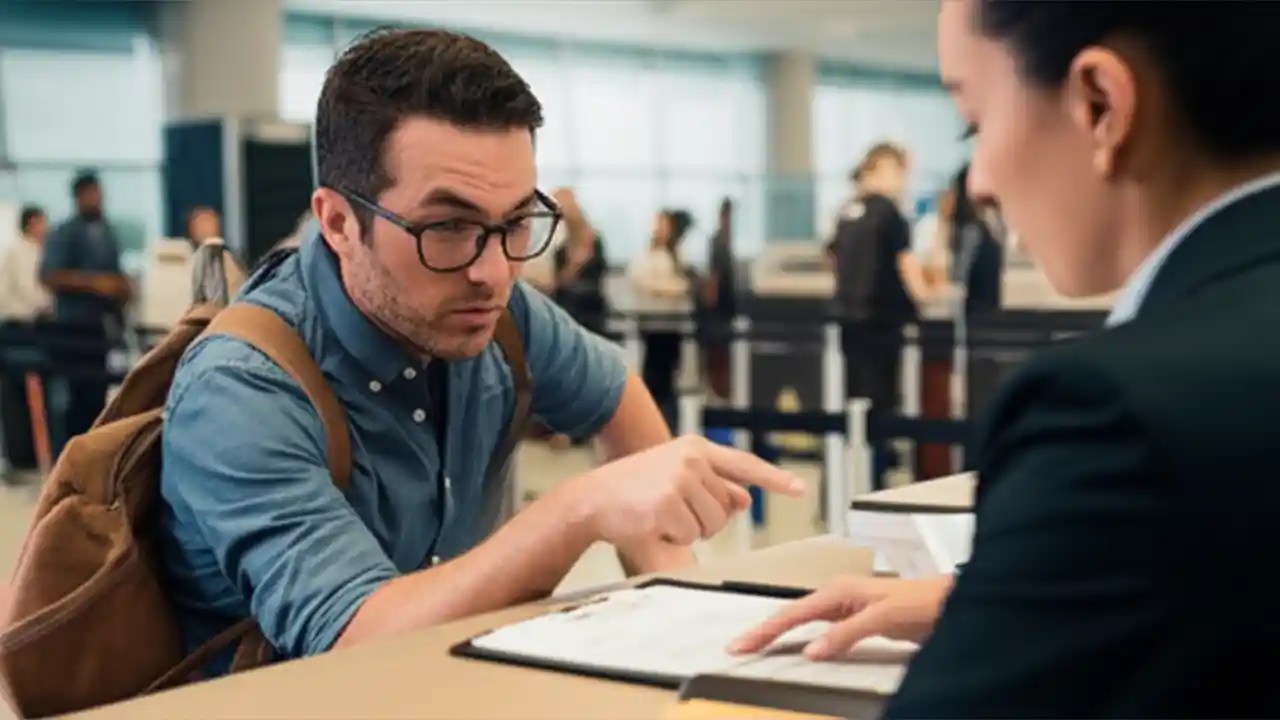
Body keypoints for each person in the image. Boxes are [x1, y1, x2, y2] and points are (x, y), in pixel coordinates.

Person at [158, 28, 802, 677]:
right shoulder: (241, 387)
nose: (493, 272)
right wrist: (579, 510)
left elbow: (614, 396)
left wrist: (676, 604)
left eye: (516, 222)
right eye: (448, 228)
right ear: (338, 223)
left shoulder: (498, 314)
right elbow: (359, 640)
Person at [732, 1, 1280, 715]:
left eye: (976, 123)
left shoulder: (1111, 412)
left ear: (1101, 104)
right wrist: (1027, 590)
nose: (980, 182)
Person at [829, 143, 943, 485]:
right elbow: (906, 264)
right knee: (882, 408)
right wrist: (928, 296)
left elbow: (832, 257)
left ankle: (852, 479)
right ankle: (877, 479)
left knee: (854, 406)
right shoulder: (889, 214)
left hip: (849, 321)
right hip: (882, 323)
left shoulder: (847, 211)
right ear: (881, 169)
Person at [39, 172, 131, 457]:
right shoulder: (64, 232)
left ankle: (93, 458)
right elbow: (49, 275)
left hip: (101, 331)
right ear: (79, 196)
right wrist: (94, 283)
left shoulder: (107, 232)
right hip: (73, 330)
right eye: (92, 194)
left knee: (97, 398)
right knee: (73, 402)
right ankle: (67, 459)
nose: (97, 199)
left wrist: (121, 288)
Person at [630, 209, 693, 429]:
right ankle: (649, 426)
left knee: (670, 379)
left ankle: (670, 427)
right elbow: (641, 280)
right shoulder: (647, 255)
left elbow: (685, 285)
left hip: (672, 326)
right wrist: (668, 288)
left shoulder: (678, 254)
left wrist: (672, 288)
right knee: (652, 378)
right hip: (652, 325)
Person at [0, 206, 52, 471]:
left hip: (19, 329)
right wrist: (53, 307)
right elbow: (30, 291)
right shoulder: (24, 253)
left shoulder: (21, 251)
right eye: (43, 222)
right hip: (21, 329)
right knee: (22, 394)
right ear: (32, 224)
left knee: (18, 395)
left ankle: (23, 456)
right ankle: (25, 456)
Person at [550, 187, 608, 337]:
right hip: (565, 308)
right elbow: (557, 282)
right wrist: (575, 265)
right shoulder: (559, 243)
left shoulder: (593, 241)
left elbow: (599, 275)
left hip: (588, 309)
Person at [949, 165, 1005, 315]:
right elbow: (959, 276)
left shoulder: (986, 224)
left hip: (985, 310)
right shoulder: (973, 230)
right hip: (978, 312)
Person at [698, 197, 736, 399]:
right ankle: (717, 394)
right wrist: (710, 301)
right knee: (718, 359)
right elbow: (714, 278)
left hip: (724, 312)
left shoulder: (726, 242)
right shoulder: (719, 243)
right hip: (717, 315)